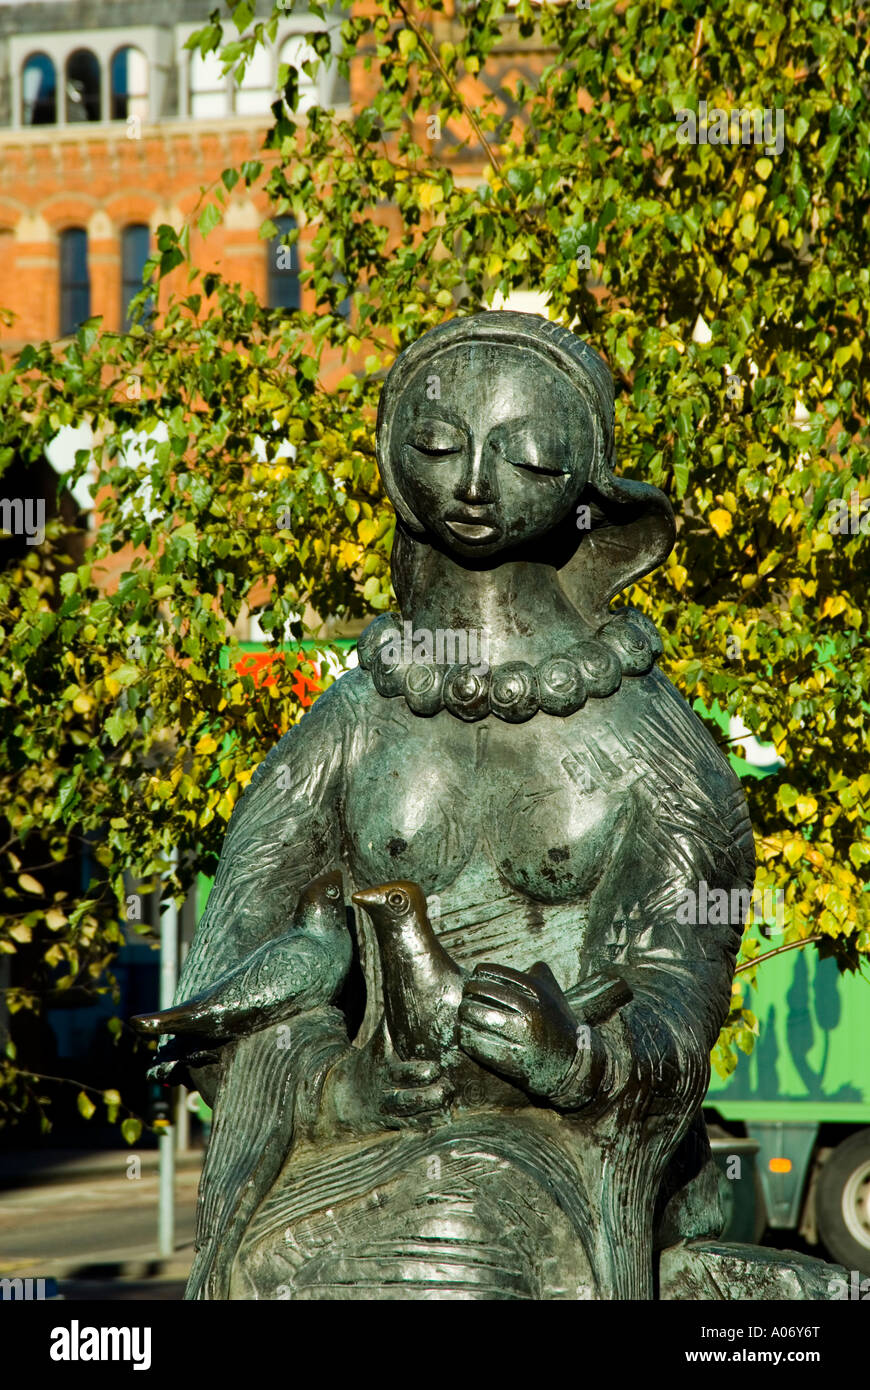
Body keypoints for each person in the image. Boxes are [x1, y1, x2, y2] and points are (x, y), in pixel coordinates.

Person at [149, 312, 755, 1300]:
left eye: (526, 457)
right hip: (359, 1145)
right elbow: (229, 982)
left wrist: (588, 1064)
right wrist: (335, 1085)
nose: (474, 483)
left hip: (556, 1158)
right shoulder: (348, 725)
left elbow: (686, 986)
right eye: (437, 446)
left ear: (591, 489)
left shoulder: (654, 740)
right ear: (395, 462)